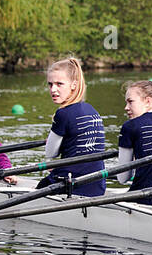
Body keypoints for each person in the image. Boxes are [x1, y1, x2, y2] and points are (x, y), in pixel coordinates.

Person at [41, 57, 106, 197]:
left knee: (40, 186)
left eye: (59, 84)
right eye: (50, 84)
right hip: (97, 185)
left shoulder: (62, 114)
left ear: (74, 85)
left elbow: (50, 153)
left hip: (70, 184)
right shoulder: (92, 110)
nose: (53, 89)